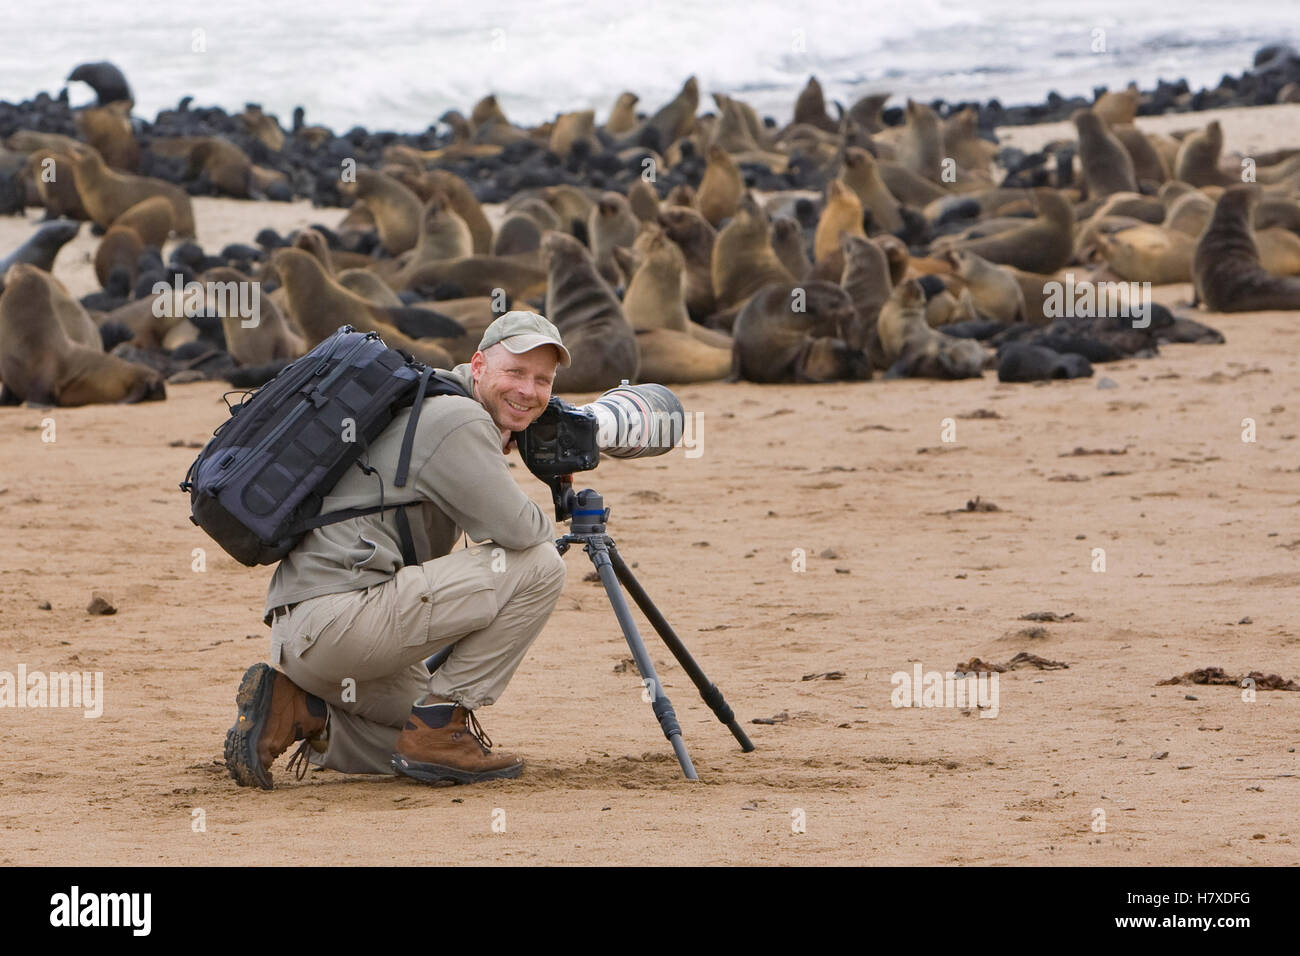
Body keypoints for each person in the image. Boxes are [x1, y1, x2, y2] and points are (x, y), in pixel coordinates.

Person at [224, 311, 570, 789]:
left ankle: (303, 712)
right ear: (478, 366)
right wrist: (550, 478)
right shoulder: (456, 418)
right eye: (515, 373)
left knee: (419, 737)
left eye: (542, 381)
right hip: (342, 622)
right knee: (541, 564)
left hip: (304, 638)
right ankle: (440, 725)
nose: (529, 392)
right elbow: (525, 533)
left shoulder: (426, 401)